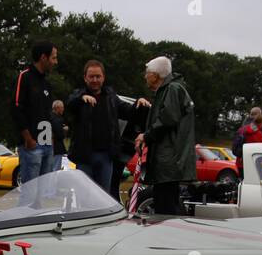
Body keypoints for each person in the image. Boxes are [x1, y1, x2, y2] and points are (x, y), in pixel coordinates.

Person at [65, 59, 149, 197]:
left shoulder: (111, 97)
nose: (95, 80)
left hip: (106, 156)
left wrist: (139, 104)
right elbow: (69, 105)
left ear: (103, 77)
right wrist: (81, 98)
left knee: (104, 196)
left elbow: (127, 111)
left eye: (98, 76)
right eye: (91, 76)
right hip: (85, 156)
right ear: (85, 78)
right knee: (84, 196)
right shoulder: (78, 96)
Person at [135, 55, 195, 216]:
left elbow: (168, 119)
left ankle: (166, 238)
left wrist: (146, 136)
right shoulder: (169, 89)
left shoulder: (172, 89)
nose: (145, 76)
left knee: (165, 207)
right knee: (165, 202)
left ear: (155, 75)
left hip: (168, 159)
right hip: (168, 160)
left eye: (147, 72)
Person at [10, 40, 58, 183]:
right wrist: (28, 138)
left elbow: (48, 113)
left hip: (47, 143)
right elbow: (16, 107)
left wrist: (51, 138)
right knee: (30, 191)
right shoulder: (24, 77)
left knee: (43, 192)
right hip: (32, 145)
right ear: (43, 57)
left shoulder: (46, 83)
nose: (56, 62)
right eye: (54, 57)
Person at [231, 107, 262, 176]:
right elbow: (261, 147)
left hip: (240, 161)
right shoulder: (256, 131)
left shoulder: (242, 128)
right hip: (251, 163)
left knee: (242, 182)